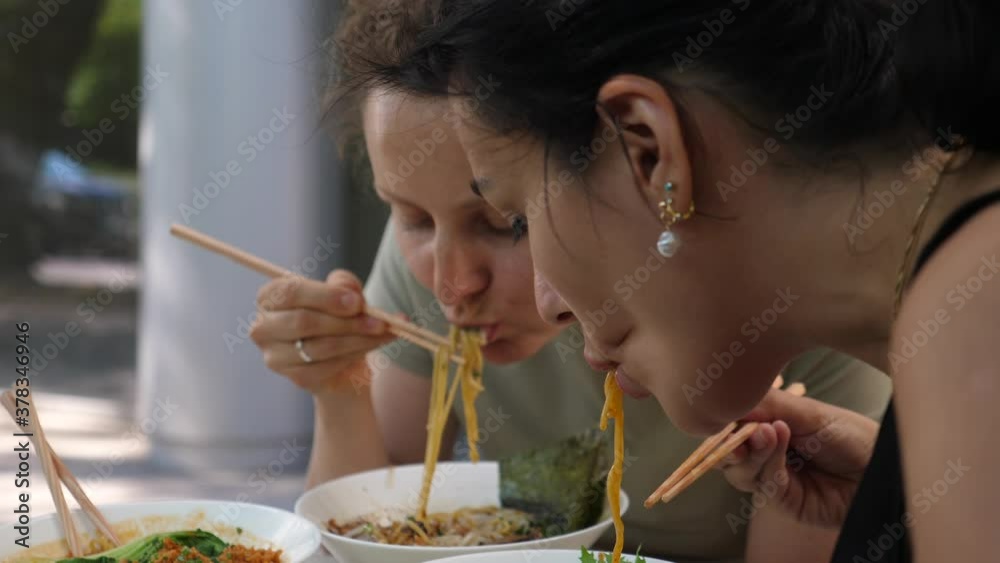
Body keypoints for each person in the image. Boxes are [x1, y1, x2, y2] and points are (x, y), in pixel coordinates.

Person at [249, 2, 891, 562]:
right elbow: (373, 526)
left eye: (509, 221)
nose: (452, 284)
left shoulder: (781, 297)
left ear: (645, 159)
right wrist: (340, 388)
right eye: (412, 217)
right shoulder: (439, 262)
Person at [365, 0, 1000, 561]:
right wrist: (895, 504)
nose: (548, 303)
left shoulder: (975, 308)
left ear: (648, 148)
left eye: (519, 216)